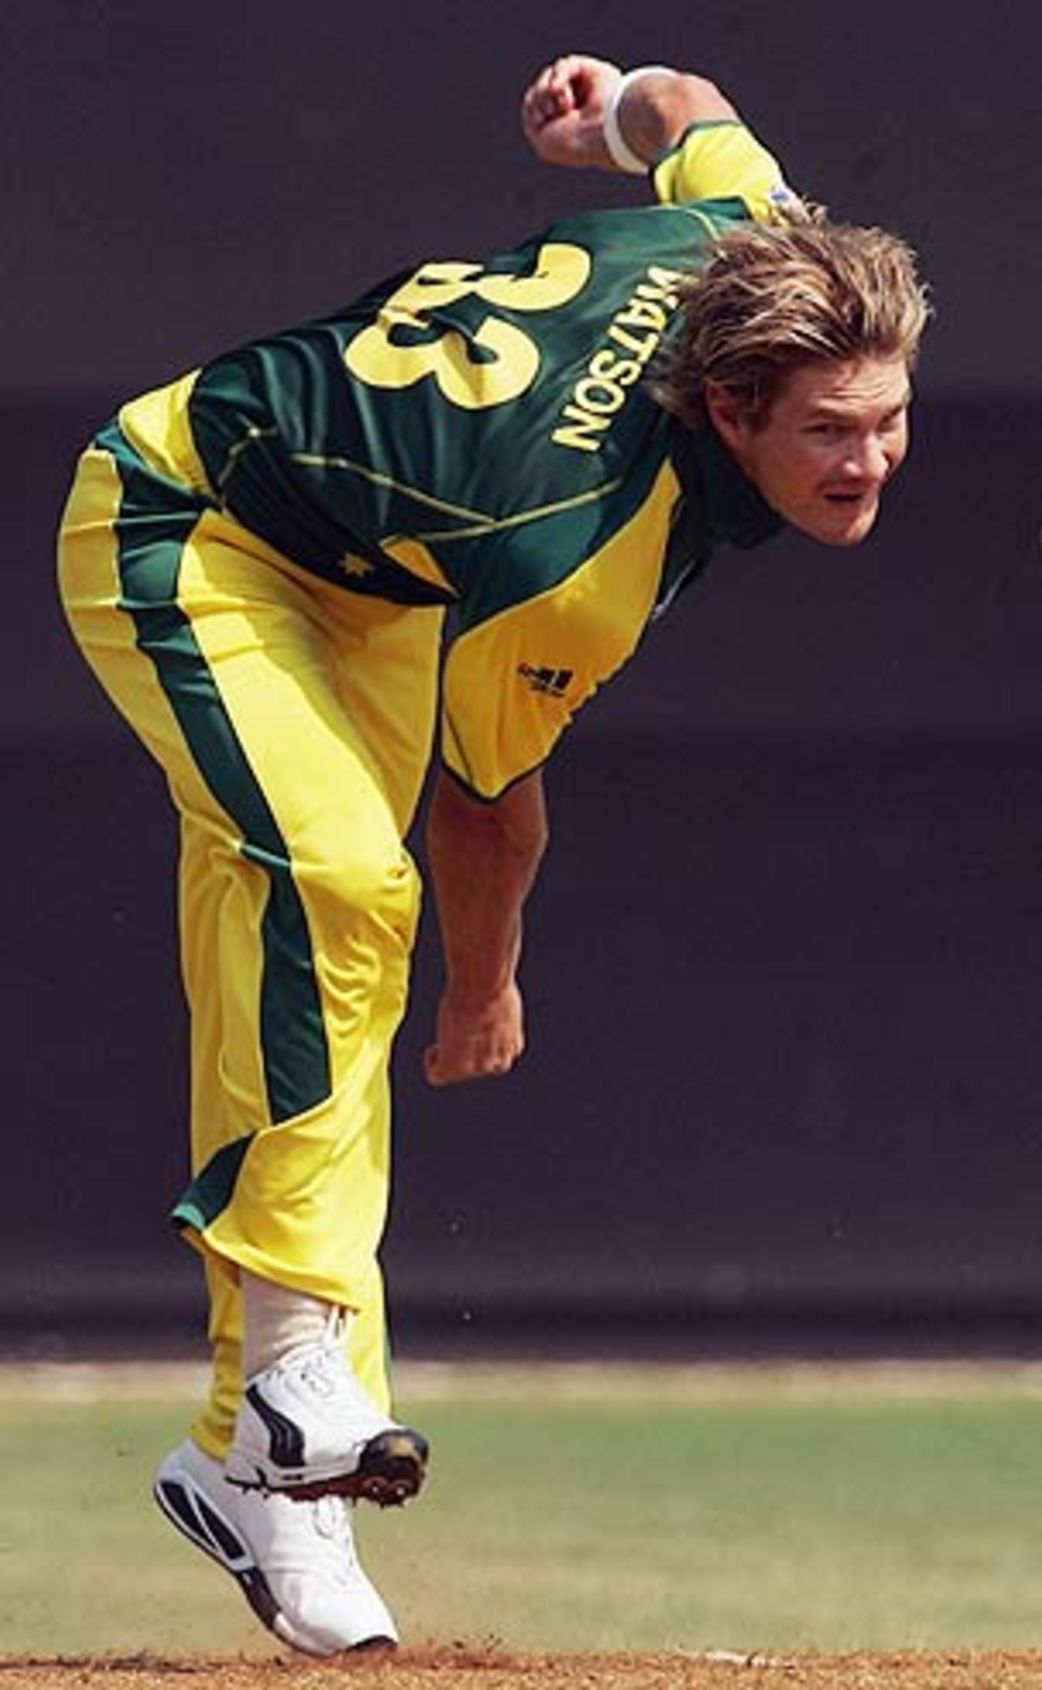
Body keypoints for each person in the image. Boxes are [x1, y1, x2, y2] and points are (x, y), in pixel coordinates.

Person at [57, 52, 928, 1657]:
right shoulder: (573, 552)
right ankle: (289, 1386)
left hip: (384, 578)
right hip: (187, 522)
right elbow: (485, 808)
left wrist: (608, 118)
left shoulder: (759, 234)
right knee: (343, 890)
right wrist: (492, 986)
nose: (872, 458)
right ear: (730, 409)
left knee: (325, 961)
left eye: (888, 417)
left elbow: (684, 99)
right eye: (830, 429)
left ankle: (268, 1477)